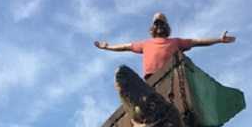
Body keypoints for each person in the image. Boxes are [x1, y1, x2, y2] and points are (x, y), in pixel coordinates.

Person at [94, 12, 236, 79]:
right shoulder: (145, 44)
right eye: (157, 23)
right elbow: (125, 46)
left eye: (162, 23)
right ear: (153, 28)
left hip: (173, 78)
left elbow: (197, 42)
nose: (159, 25)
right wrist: (108, 47)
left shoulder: (176, 42)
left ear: (166, 27)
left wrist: (219, 39)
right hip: (152, 80)